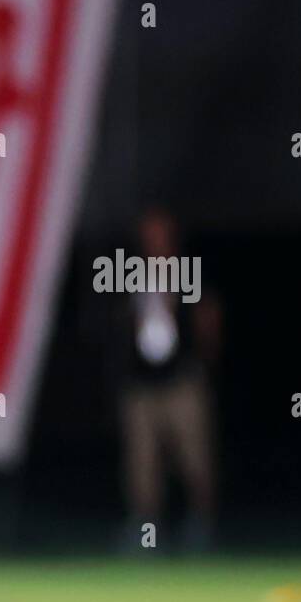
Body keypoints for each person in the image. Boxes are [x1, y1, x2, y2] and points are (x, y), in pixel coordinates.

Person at [118, 208, 220, 550]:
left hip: (181, 380)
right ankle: (146, 530)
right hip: (142, 384)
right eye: (148, 231)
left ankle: (201, 523)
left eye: (160, 231)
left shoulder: (190, 271)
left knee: (194, 457)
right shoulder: (130, 272)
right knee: (142, 464)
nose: (154, 238)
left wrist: (203, 362)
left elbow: (208, 318)